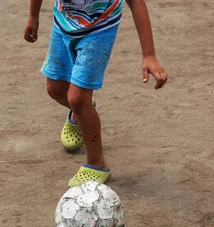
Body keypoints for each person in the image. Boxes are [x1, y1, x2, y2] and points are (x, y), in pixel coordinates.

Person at [24, 0, 168, 187]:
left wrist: (149, 55)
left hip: (100, 27)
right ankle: (82, 113)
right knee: (55, 89)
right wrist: (33, 16)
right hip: (64, 22)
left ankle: (96, 163)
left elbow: (136, 3)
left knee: (76, 98)